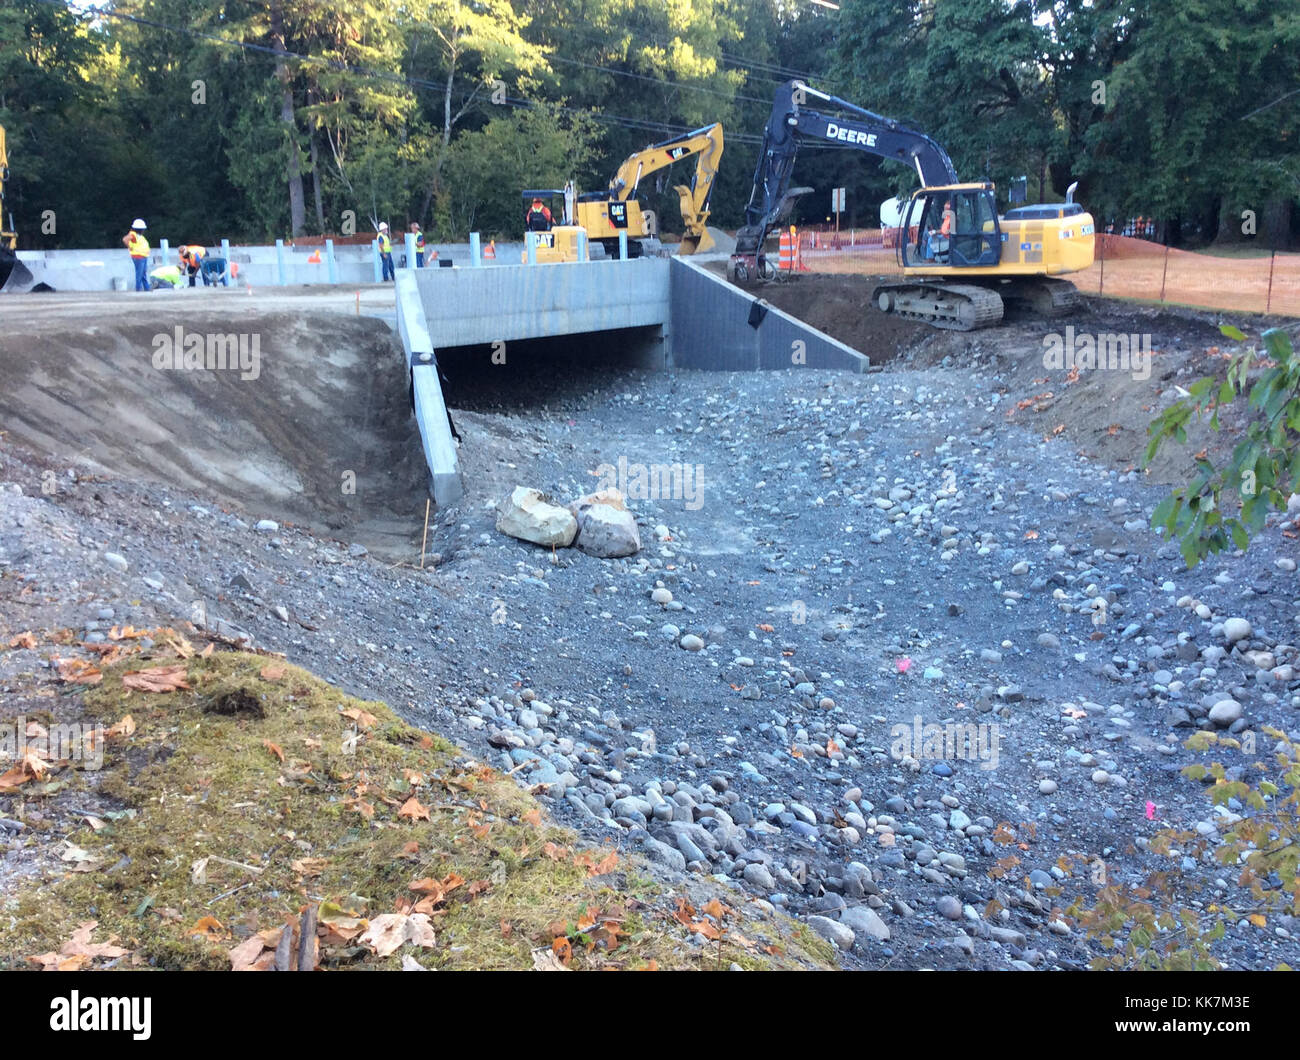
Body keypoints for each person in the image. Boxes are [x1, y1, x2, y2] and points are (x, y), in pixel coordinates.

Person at [122, 218, 150, 291]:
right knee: (140, 274)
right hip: (138, 257)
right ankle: (139, 289)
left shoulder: (138, 236)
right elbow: (125, 239)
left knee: (143, 274)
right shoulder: (133, 234)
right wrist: (130, 247)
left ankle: (147, 289)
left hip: (143, 256)